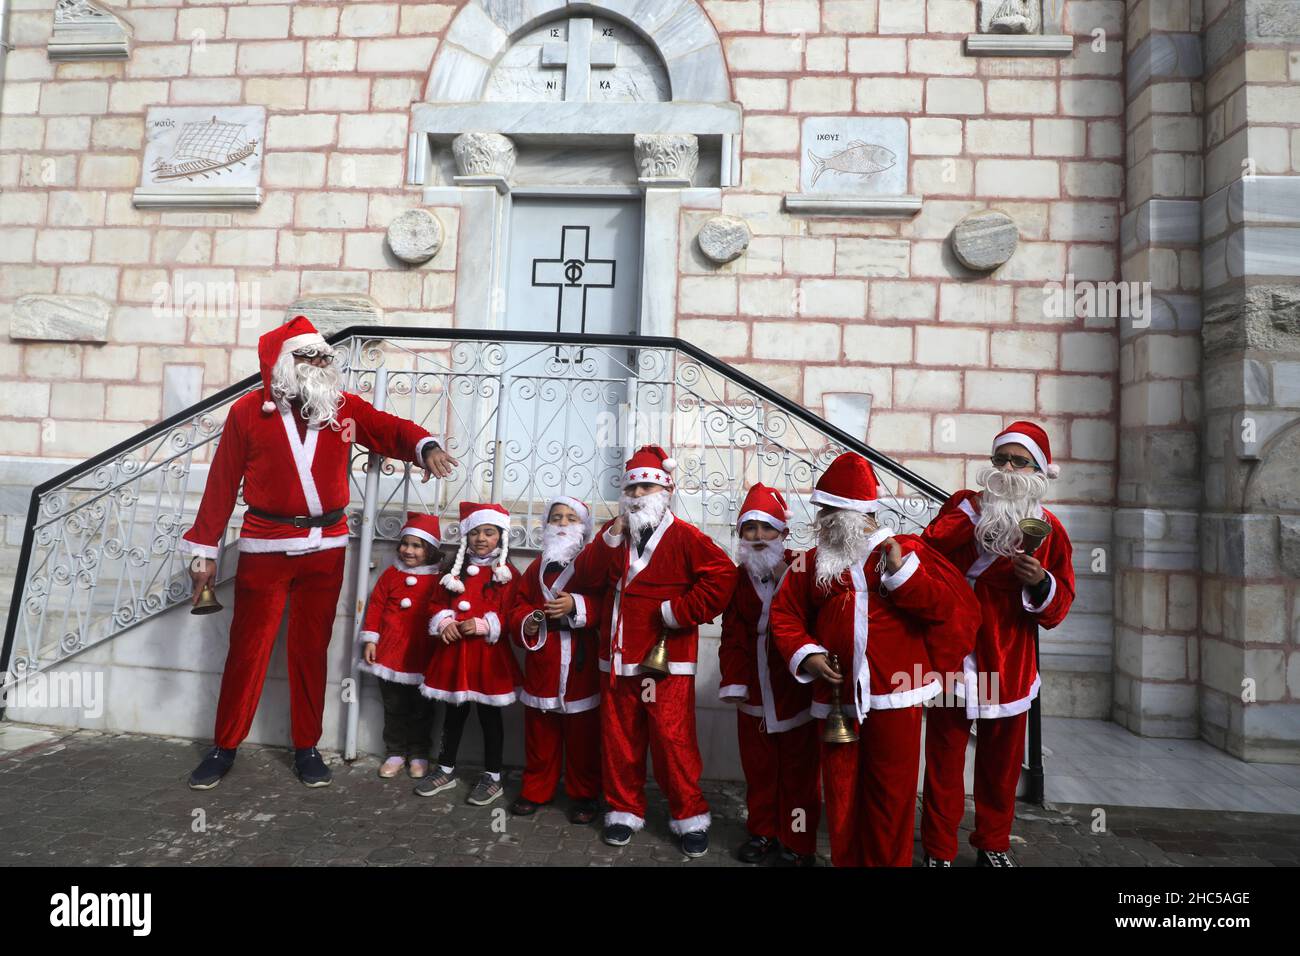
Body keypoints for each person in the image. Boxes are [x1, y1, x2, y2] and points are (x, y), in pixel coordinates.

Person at [182, 316, 456, 790]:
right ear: (286, 363)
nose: (322, 363)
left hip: (326, 549)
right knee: (248, 651)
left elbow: (388, 427)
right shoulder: (248, 412)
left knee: (311, 651)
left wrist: (423, 444)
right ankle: (224, 745)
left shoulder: (341, 408)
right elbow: (222, 483)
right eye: (311, 356)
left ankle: (306, 747)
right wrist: (204, 549)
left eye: (326, 356)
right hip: (265, 544)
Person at [769, 452, 977, 867]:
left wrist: (902, 575)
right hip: (834, 697)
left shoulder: (907, 550)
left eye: (829, 511)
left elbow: (947, 608)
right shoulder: (811, 562)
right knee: (842, 793)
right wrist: (806, 654)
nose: (821, 520)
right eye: (821, 510)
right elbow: (785, 613)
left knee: (891, 796)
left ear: (854, 513)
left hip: (895, 694)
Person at [567, 445, 736, 857]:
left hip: (666, 661)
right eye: (633, 487)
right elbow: (585, 576)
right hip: (617, 658)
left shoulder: (686, 537)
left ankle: (688, 815)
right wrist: (609, 537)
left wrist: (678, 612)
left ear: (664, 491)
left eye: (647, 486)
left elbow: (723, 577)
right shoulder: (614, 534)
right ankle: (623, 810)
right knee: (620, 739)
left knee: (672, 740)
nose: (639, 494)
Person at [919, 421, 1075, 868]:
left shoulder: (1051, 531)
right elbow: (927, 556)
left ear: (1038, 471)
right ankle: (938, 848)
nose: (1006, 468)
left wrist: (1040, 582)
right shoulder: (965, 509)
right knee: (945, 758)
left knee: (1002, 764)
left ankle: (993, 843)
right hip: (956, 652)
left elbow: (1060, 602)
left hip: (1010, 660)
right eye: (1000, 459)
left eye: (1018, 461)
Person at [719, 484, 820, 866]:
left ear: (783, 533)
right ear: (741, 535)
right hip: (755, 690)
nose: (759, 537)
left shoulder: (804, 568)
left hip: (795, 687)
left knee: (799, 771)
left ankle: (797, 841)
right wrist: (734, 679)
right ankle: (763, 832)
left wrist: (788, 580)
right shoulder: (737, 578)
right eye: (750, 529)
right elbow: (732, 633)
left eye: (767, 529)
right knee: (760, 769)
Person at [416, 502, 522, 807]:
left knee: (490, 717)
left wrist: (489, 624)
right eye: (475, 533)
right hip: (455, 657)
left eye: (488, 533)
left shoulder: (507, 573)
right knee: (454, 714)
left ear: (499, 537)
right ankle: (446, 768)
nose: (481, 538)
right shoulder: (453, 571)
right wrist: (444, 622)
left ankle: (494, 776)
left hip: (488, 657)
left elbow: (513, 612)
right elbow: (434, 605)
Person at [506, 496, 605, 824]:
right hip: (544, 660)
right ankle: (536, 789)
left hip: (580, 662)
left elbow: (605, 602)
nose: (562, 524)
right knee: (540, 734)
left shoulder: (592, 564)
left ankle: (584, 794)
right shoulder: (535, 567)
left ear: (584, 528)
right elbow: (519, 604)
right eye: (557, 518)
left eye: (570, 518)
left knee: (582, 738)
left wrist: (577, 605)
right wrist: (528, 621)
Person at [358, 512, 444, 780]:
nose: (409, 550)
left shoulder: (438, 579)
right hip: (390, 655)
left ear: (429, 550)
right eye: (405, 544)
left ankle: (419, 752)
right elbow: (375, 606)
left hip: (423, 656)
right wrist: (371, 639)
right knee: (394, 706)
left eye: (417, 546)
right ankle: (395, 751)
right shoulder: (391, 575)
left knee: (422, 709)